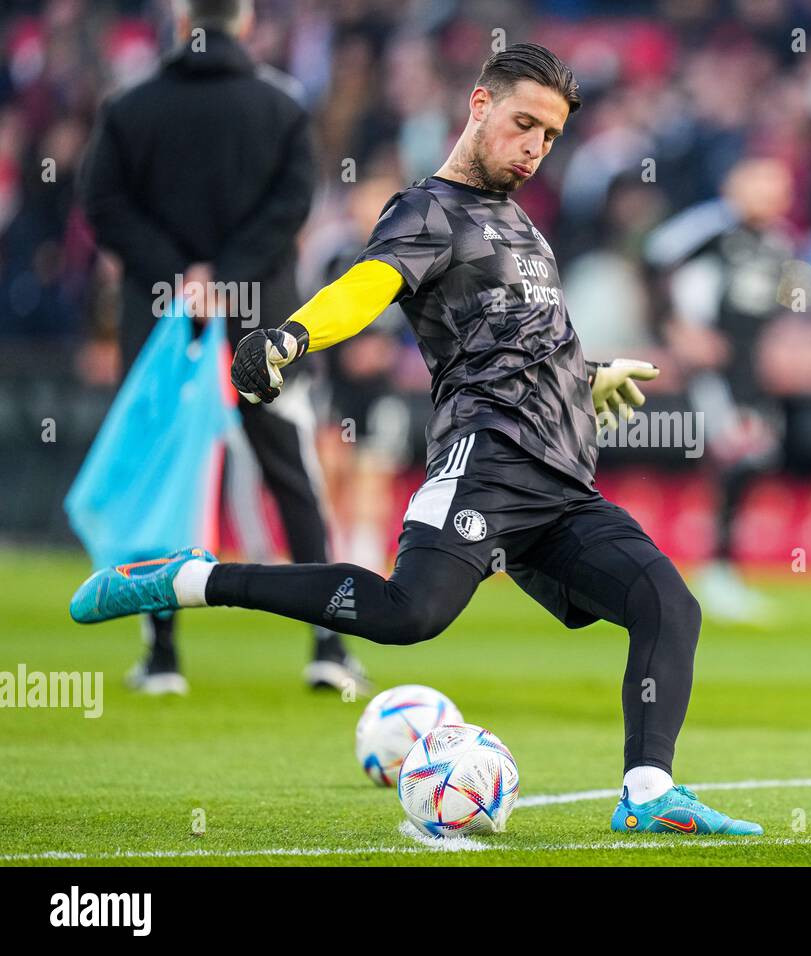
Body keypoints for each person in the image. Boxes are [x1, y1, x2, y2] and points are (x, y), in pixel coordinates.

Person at [71, 42, 762, 837]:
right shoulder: (427, 209)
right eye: (523, 124)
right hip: (487, 458)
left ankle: (647, 793)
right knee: (407, 615)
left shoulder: (525, 231)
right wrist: (292, 337)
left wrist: (587, 375)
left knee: (666, 603)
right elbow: (371, 284)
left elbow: (521, 335)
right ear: (478, 106)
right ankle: (194, 579)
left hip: (560, 484)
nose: (536, 148)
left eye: (551, 136)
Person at [78, 0, 364, 695]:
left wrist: (183, 276)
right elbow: (291, 206)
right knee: (290, 474)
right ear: (244, 25)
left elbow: (104, 206)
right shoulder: (282, 107)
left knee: (164, 480)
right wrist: (227, 276)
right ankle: (328, 644)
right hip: (263, 320)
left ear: (181, 26)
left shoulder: (130, 106)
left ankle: (164, 655)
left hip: (162, 320)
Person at [643, 158, 795, 625]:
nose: (772, 197)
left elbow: (772, 307)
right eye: (764, 185)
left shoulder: (777, 243)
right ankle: (718, 570)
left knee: (758, 452)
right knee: (739, 452)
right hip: (711, 370)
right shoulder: (710, 227)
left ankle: (722, 569)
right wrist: (675, 331)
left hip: (747, 368)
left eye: (780, 188)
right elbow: (651, 263)